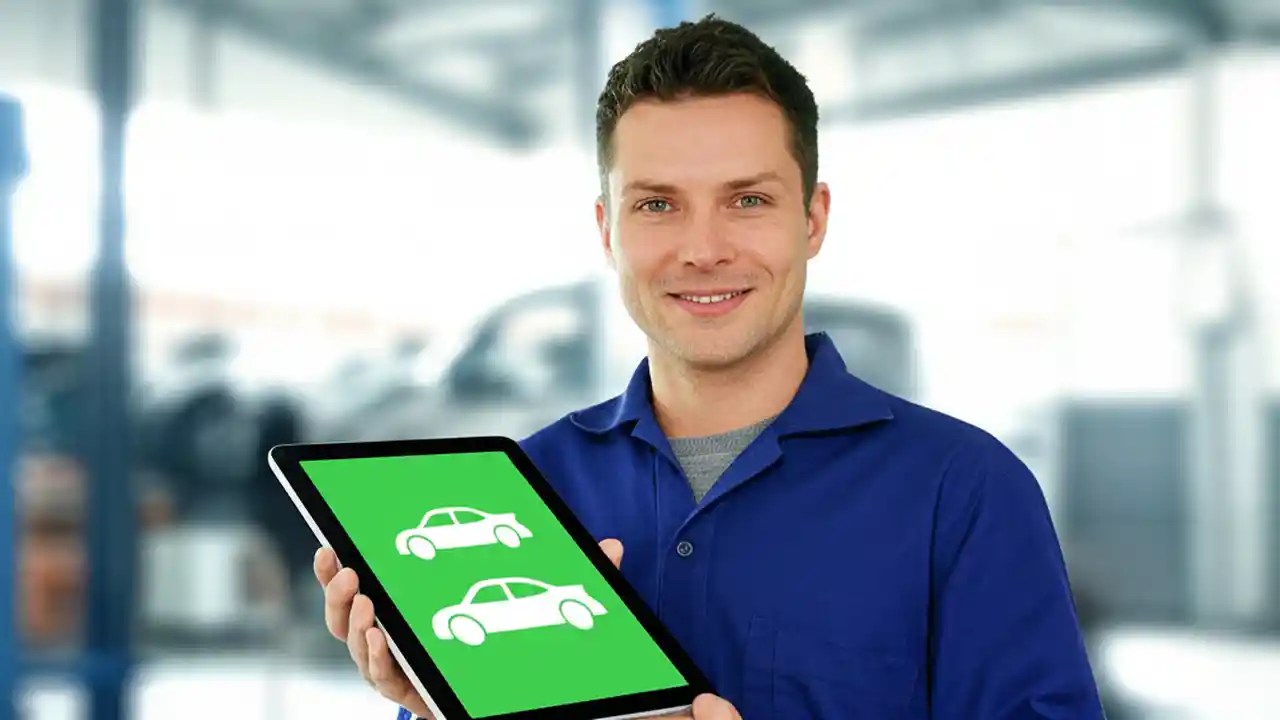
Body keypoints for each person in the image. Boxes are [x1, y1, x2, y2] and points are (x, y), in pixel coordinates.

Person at [314, 14, 1105, 720]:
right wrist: (436, 709)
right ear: (606, 230)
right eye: (657, 204)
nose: (702, 248)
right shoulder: (527, 488)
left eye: (747, 200)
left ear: (813, 219)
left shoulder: (963, 494)